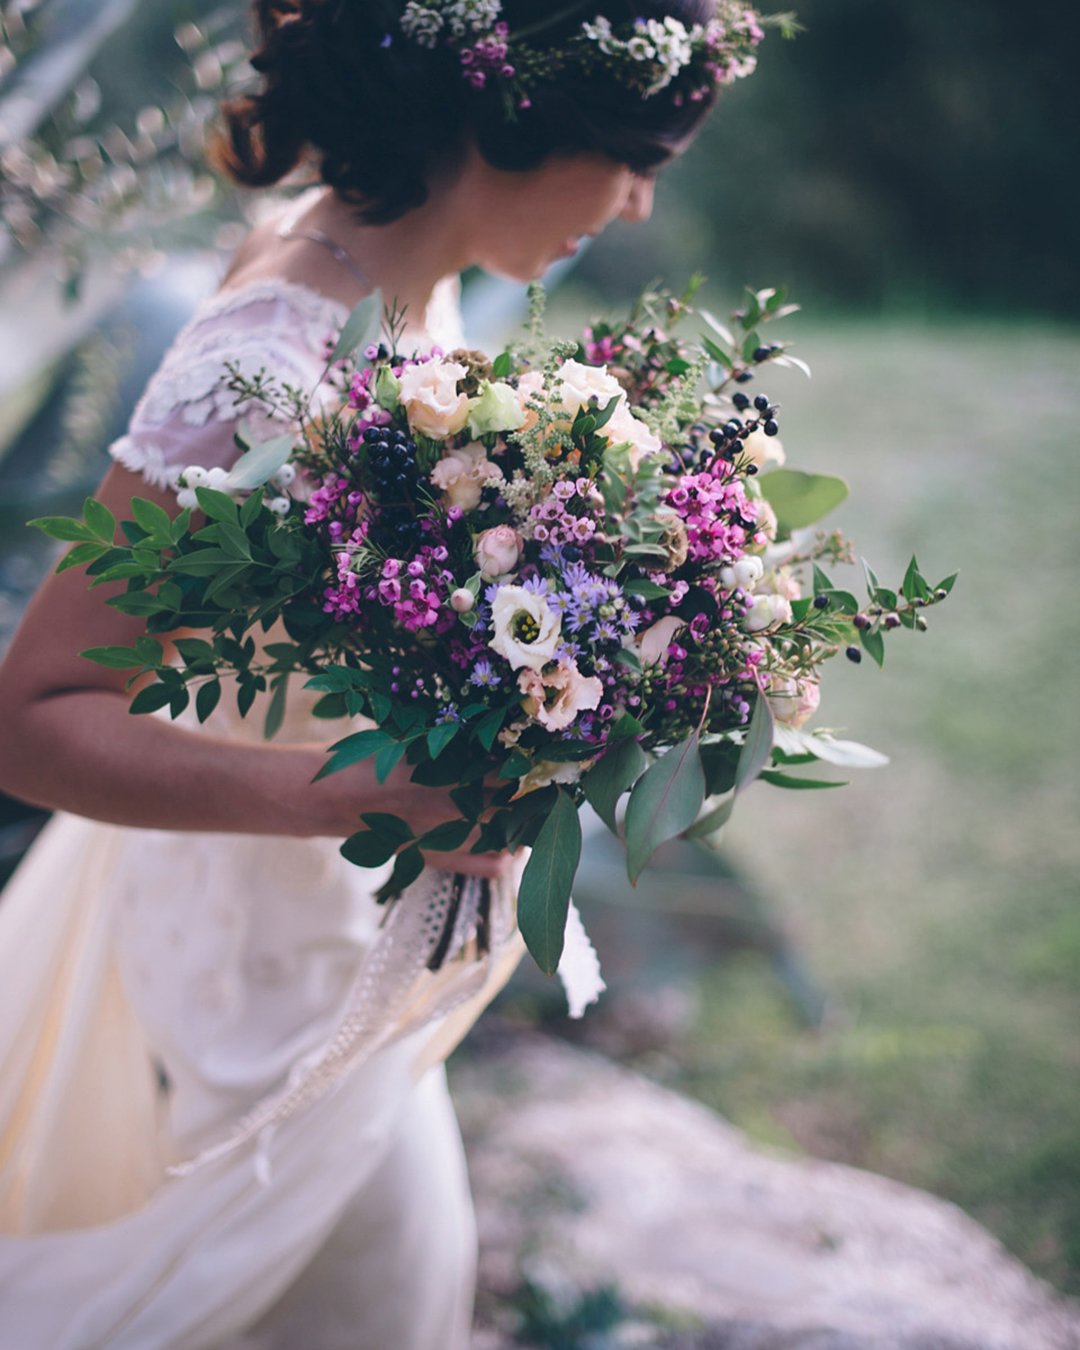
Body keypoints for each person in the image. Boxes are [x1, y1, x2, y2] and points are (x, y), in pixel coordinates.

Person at [0, 1, 765, 1344]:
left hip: (347, 939)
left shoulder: (406, 265)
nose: (638, 204)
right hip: (261, 965)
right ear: (518, 114)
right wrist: (378, 802)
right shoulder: (269, 344)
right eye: (637, 155)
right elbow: (32, 718)